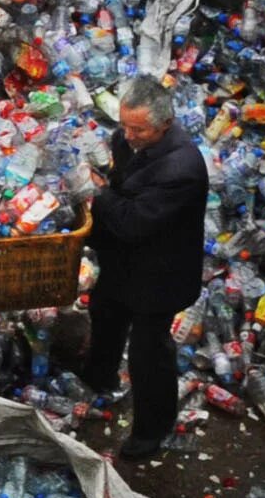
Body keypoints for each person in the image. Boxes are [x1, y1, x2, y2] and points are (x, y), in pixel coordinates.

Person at [82, 75, 211, 462]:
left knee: (148, 352)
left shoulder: (182, 168)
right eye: (124, 124)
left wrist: (97, 195)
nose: (128, 135)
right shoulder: (129, 141)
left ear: (165, 124)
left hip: (161, 274)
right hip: (125, 260)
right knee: (104, 311)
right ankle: (98, 377)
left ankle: (152, 431)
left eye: (138, 129)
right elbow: (122, 182)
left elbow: (133, 221)